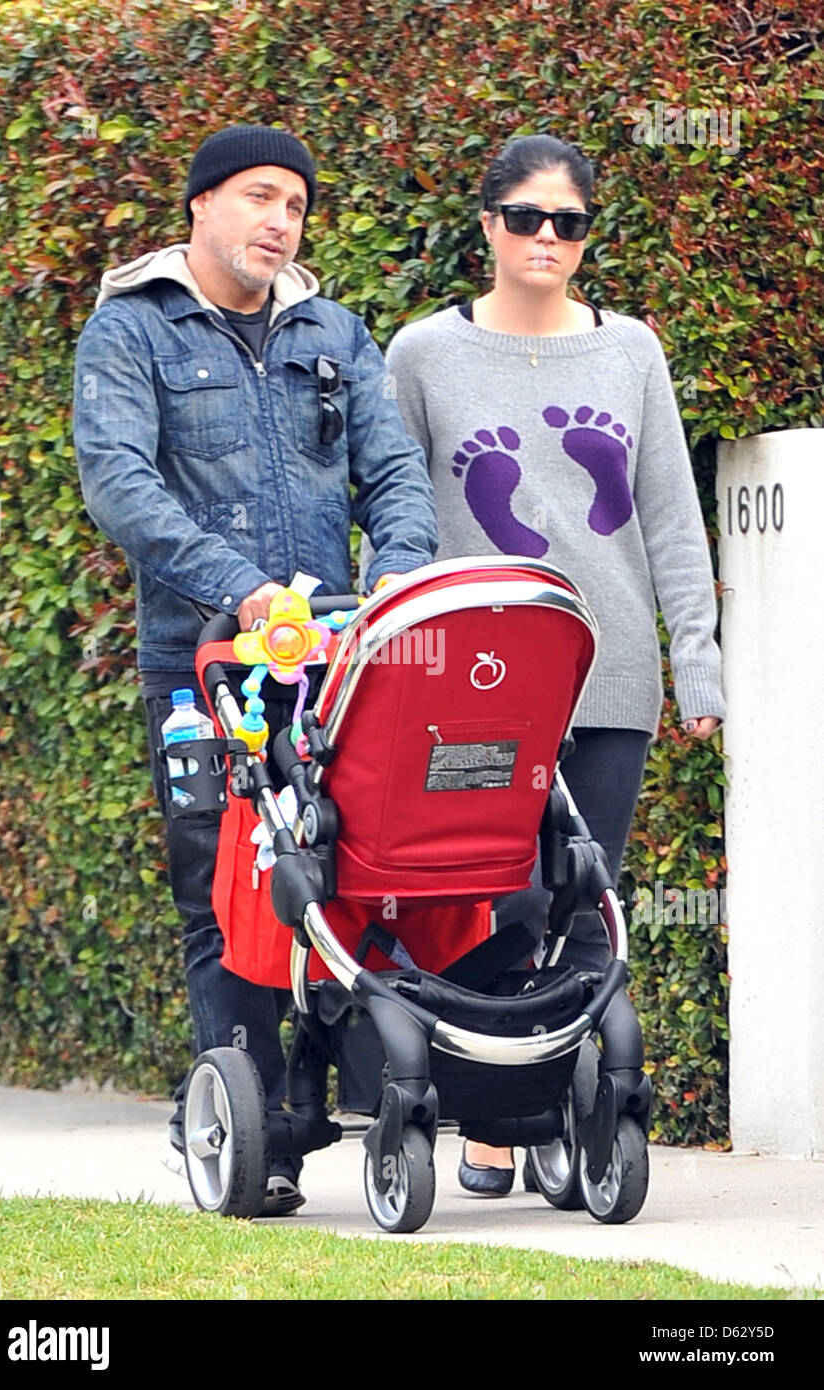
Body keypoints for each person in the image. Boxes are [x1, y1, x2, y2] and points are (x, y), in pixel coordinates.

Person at [73, 125, 437, 1214]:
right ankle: (257, 1132)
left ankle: (326, 1095)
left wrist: (400, 583)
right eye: (258, 197)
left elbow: (395, 470)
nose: (279, 220)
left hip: (336, 656)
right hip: (204, 661)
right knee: (220, 888)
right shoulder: (131, 329)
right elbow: (121, 482)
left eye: (295, 205)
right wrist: (239, 588)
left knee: (343, 864)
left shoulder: (333, 332)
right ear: (200, 205)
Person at [372, 133, 725, 1195]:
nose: (544, 238)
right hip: (472, 674)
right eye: (523, 218)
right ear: (485, 226)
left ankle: (565, 1120)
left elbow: (670, 520)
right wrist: (381, 661)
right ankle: (491, 1123)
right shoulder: (422, 353)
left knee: (585, 897)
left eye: (566, 222)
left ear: (584, 235)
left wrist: (694, 670)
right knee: (497, 894)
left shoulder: (632, 352)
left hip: (607, 668)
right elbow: (389, 518)